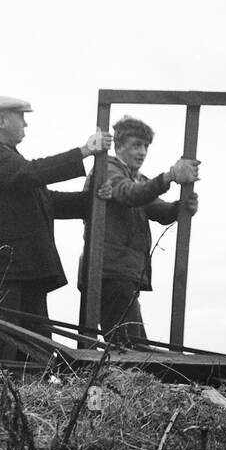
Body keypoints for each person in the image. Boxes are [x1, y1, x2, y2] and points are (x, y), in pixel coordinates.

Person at [0, 96, 112, 377]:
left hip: (12, 266)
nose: (25, 123)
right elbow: (31, 174)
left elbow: (46, 200)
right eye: (20, 116)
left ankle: (25, 404)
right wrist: (84, 151)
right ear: (1, 120)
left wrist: (94, 200)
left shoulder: (7, 160)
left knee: (33, 342)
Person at [81, 116, 199, 346]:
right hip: (108, 271)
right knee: (130, 346)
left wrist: (181, 207)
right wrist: (170, 176)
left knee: (127, 344)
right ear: (119, 145)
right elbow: (130, 194)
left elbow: (158, 209)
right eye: (136, 144)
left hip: (124, 272)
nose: (142, 151)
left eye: (145, 146)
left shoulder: (136, 178)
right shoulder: (108, 169)